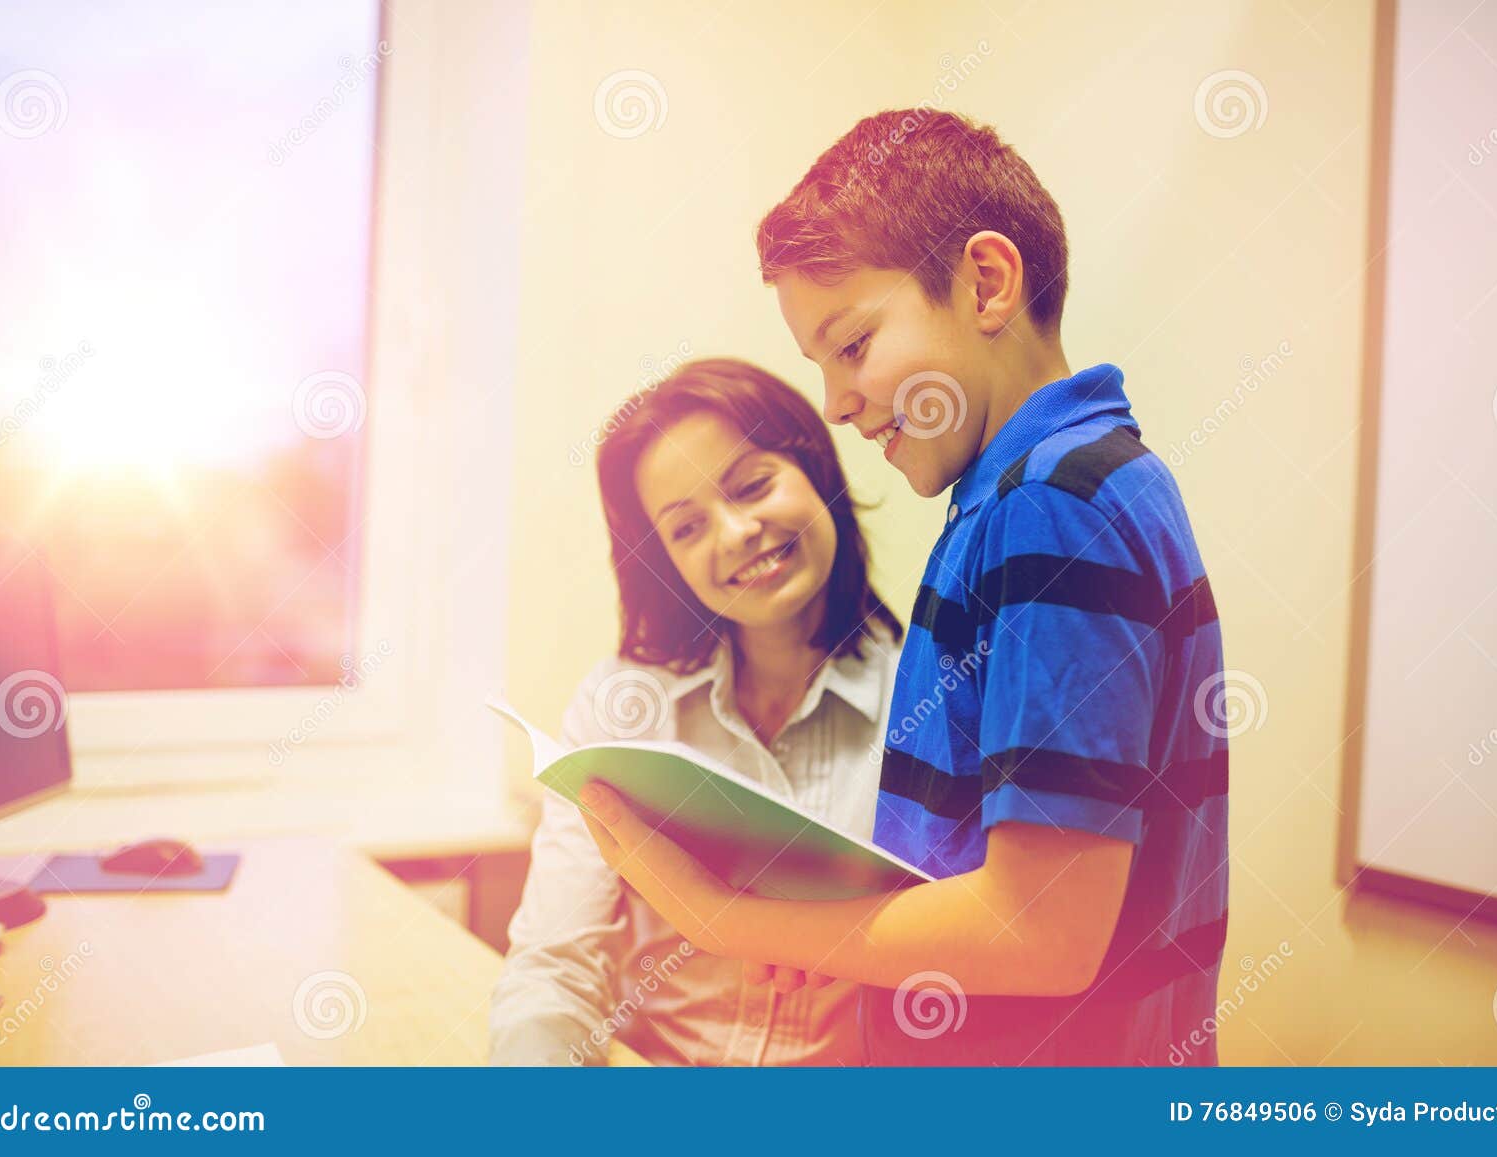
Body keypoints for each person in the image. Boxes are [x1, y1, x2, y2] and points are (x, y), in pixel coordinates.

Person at [578, 110, 1228, 1065]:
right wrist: (855, 937)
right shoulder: (1064, 483)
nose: (837, 403)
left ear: (987, 283)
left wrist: (727, 920)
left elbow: (1042, 927)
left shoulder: (1049, 506)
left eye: (852, 347)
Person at [490, 357, 904, 1065]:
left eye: (752, 485)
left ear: (817, 471)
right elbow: (557, 965)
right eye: (685, 528)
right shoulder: (622, 708)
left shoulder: (931, 697)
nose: (737, 531)